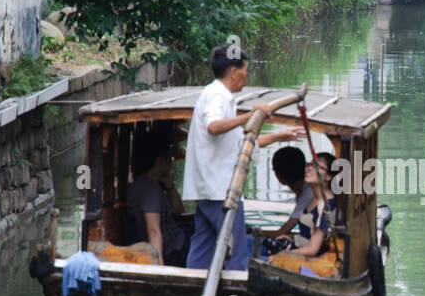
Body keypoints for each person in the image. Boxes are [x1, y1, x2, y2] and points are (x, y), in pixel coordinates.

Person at [183, 44, 299, 271]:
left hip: (209, 189)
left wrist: (278, 136)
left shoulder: (221, 98)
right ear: (234, 71)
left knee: (203, 247)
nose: (246, 77)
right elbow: (214, 127)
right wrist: (250, 116)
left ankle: (191, 290)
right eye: (245, 70)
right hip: (222, 192)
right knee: (236, 249)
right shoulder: (218, 96)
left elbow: (239, 144)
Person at [127, 126, 187, 266]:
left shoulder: (156, 185)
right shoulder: (149, 190)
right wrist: (159, 267)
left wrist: (170, 186)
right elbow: (153, 230)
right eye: (170, 158)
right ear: (160, 161)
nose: (172, 163)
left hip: (179, 241)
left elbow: (178, 210)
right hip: (174, 252)